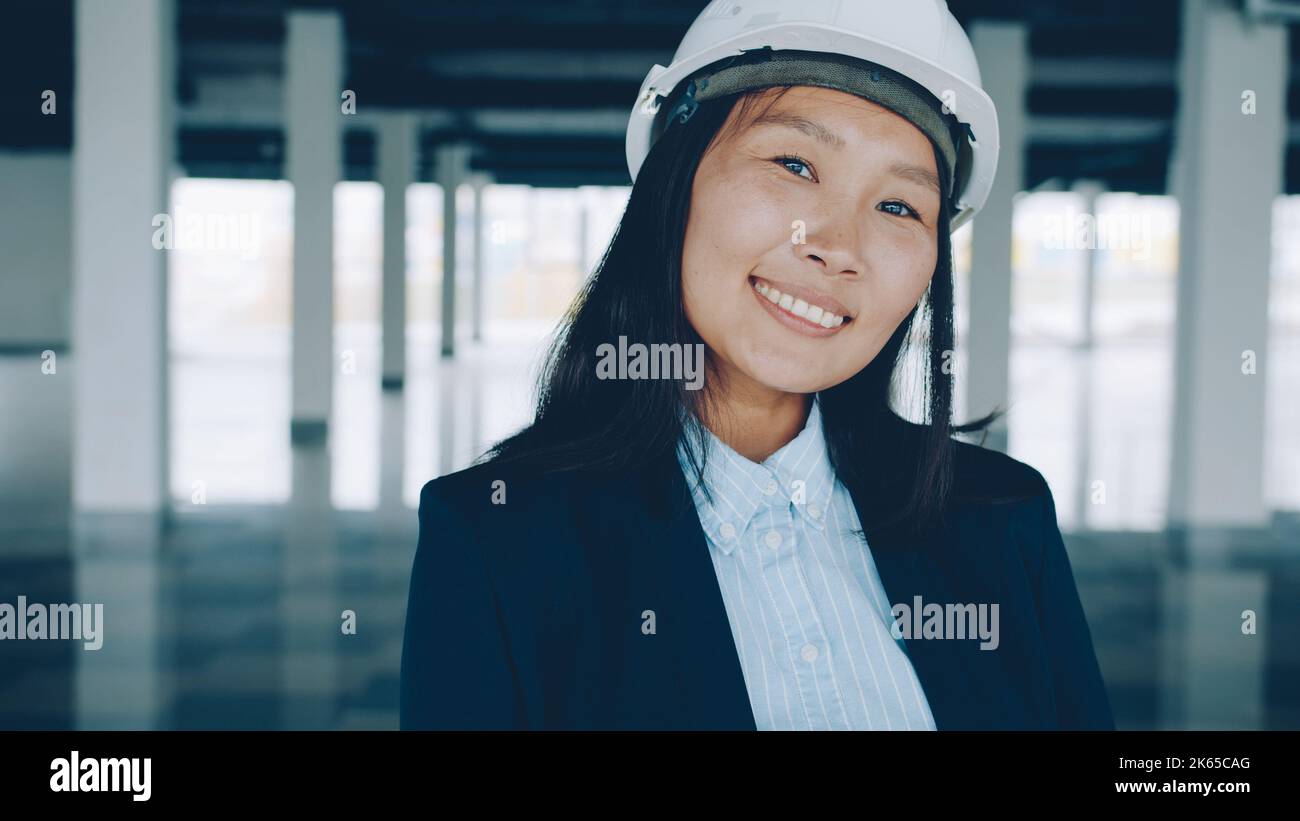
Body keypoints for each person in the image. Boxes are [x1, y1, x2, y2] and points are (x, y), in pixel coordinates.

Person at [400, 0, 1114, 730]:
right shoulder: (496, 546)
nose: (838, 245)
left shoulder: (1004, 521)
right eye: (795, 164)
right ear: (674, 187)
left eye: (899, 206)